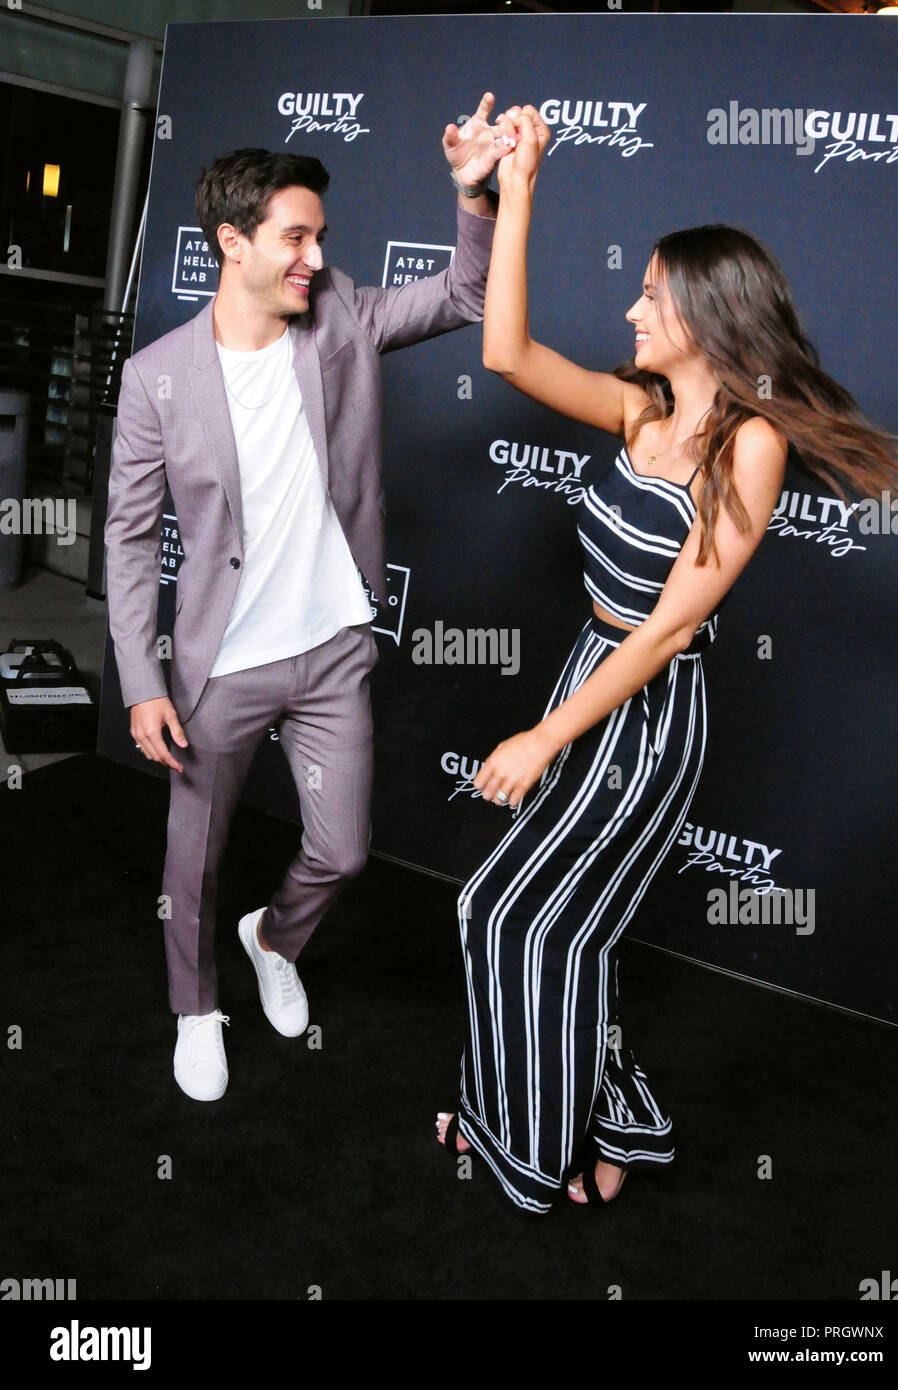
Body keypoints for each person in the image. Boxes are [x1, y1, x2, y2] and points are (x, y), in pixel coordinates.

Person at [435, 105, 898, 1212]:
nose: (632, 306)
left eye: (652, 292)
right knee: (559, 929)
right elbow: (504, 351)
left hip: (644, 717)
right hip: (582, 682)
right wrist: (520, 184)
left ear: (708, 311)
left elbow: (663, 630)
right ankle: (612, 1123)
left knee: (513, 917)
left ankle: (528, 1138)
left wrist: (545, 735)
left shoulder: (753, 444)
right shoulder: (637, 410)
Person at [104, 94, 516, 1101]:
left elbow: (466, 294)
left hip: (332, 646)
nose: (314, 257)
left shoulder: (340, 319)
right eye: (294, 237)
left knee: (341, 849)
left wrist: (476, 194)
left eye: (319, 237)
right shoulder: (158, 379)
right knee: (192, 866)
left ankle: (273, 937)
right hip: (221, 665)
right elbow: (123, 539)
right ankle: (196, 1007)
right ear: (230, 243)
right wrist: (141, 679)